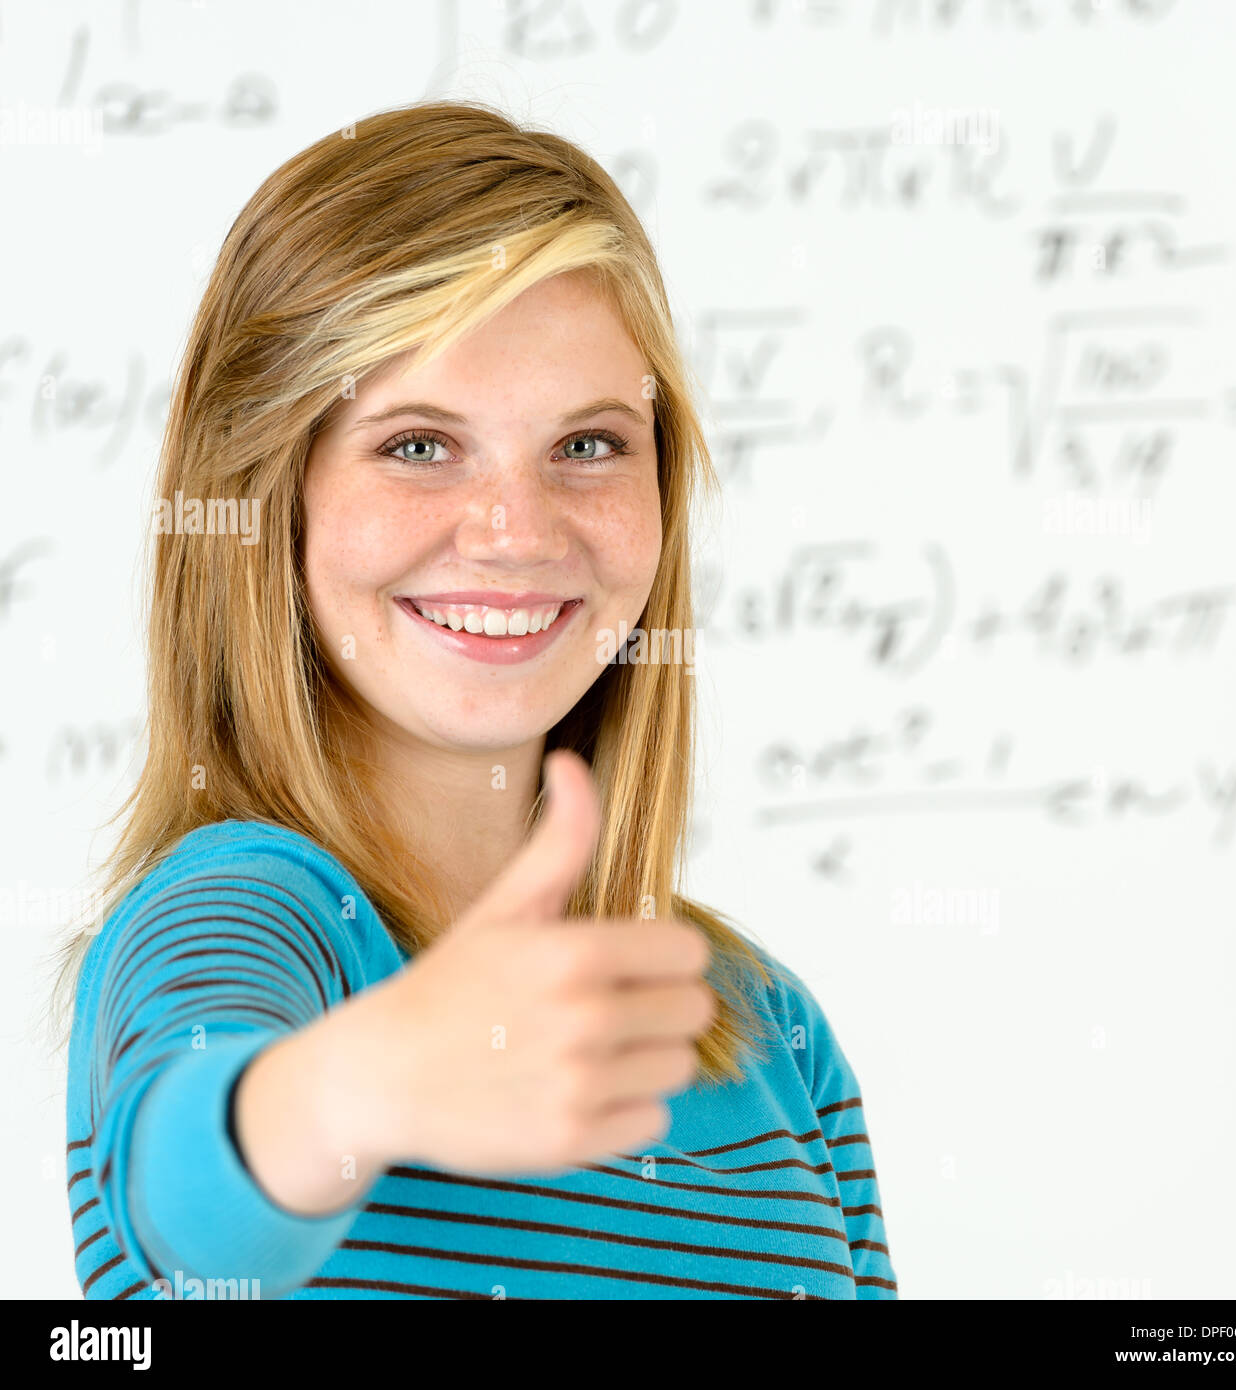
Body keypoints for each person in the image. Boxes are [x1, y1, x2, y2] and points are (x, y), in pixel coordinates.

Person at [47, 100, 897, 1301]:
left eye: (589, 445)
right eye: (418, 445)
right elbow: (184, 1200)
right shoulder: (243, 916)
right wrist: (367, 1082)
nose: (516, 532)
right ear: (270, 500)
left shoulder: (765, 1029)